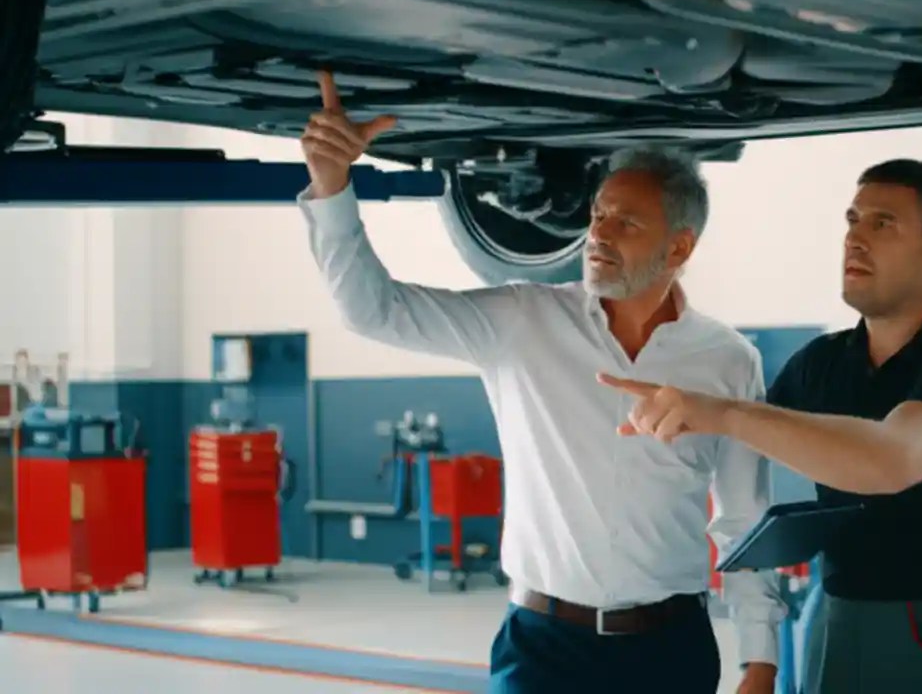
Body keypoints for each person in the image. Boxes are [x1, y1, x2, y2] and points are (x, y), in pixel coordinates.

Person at [297, 71, 784, 694]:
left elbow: (744, 520)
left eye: (626, 223)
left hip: (671, 650)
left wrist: (760, 659)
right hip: (543, 650)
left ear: (680, 246)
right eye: (598, 214)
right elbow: (374, 310)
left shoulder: (727, 359)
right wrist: (332, 184)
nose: (599, 234)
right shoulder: (523, 320)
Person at [600, 159, 922, 693]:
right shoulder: (819, 364)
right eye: (852, 220)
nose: (854, 238)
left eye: (882, 224)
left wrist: (722, 411)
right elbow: (733, 465)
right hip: (837, 621)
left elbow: (890, 459)